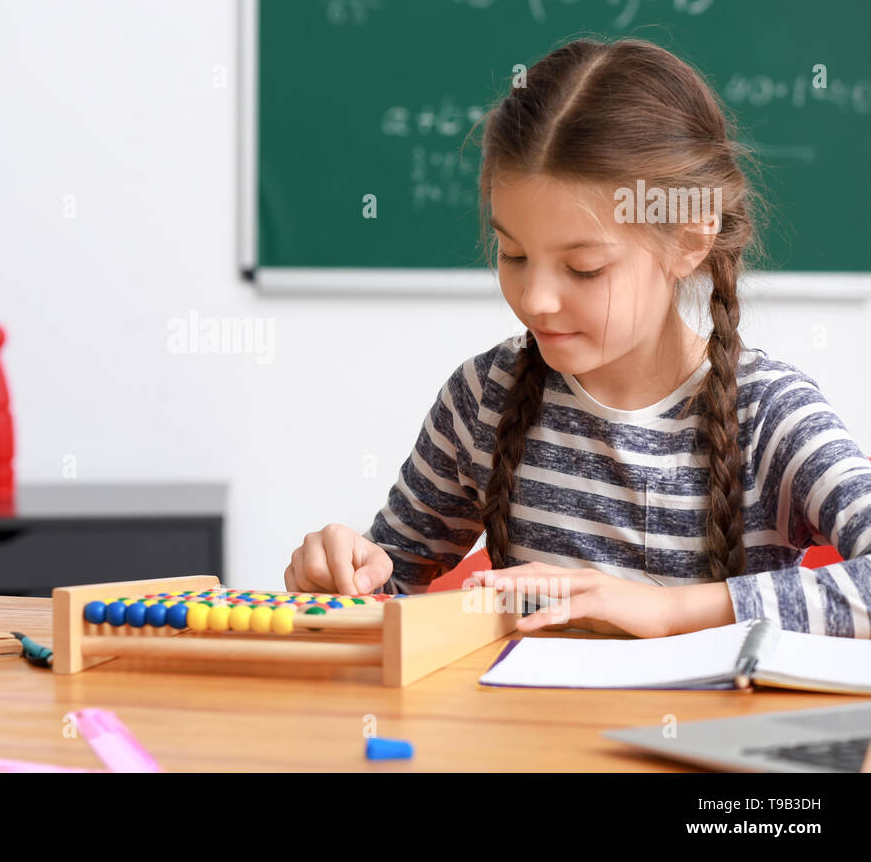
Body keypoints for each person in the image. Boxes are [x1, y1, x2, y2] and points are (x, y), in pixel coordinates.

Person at [285, 37, 871, 640]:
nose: (535, 299)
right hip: (527, 735)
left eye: (584, 267)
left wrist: (671, 611)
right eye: (513, 254)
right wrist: (343, 580)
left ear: (691, 240)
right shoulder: (483, 399)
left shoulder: (772, 415)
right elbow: (387, 600)